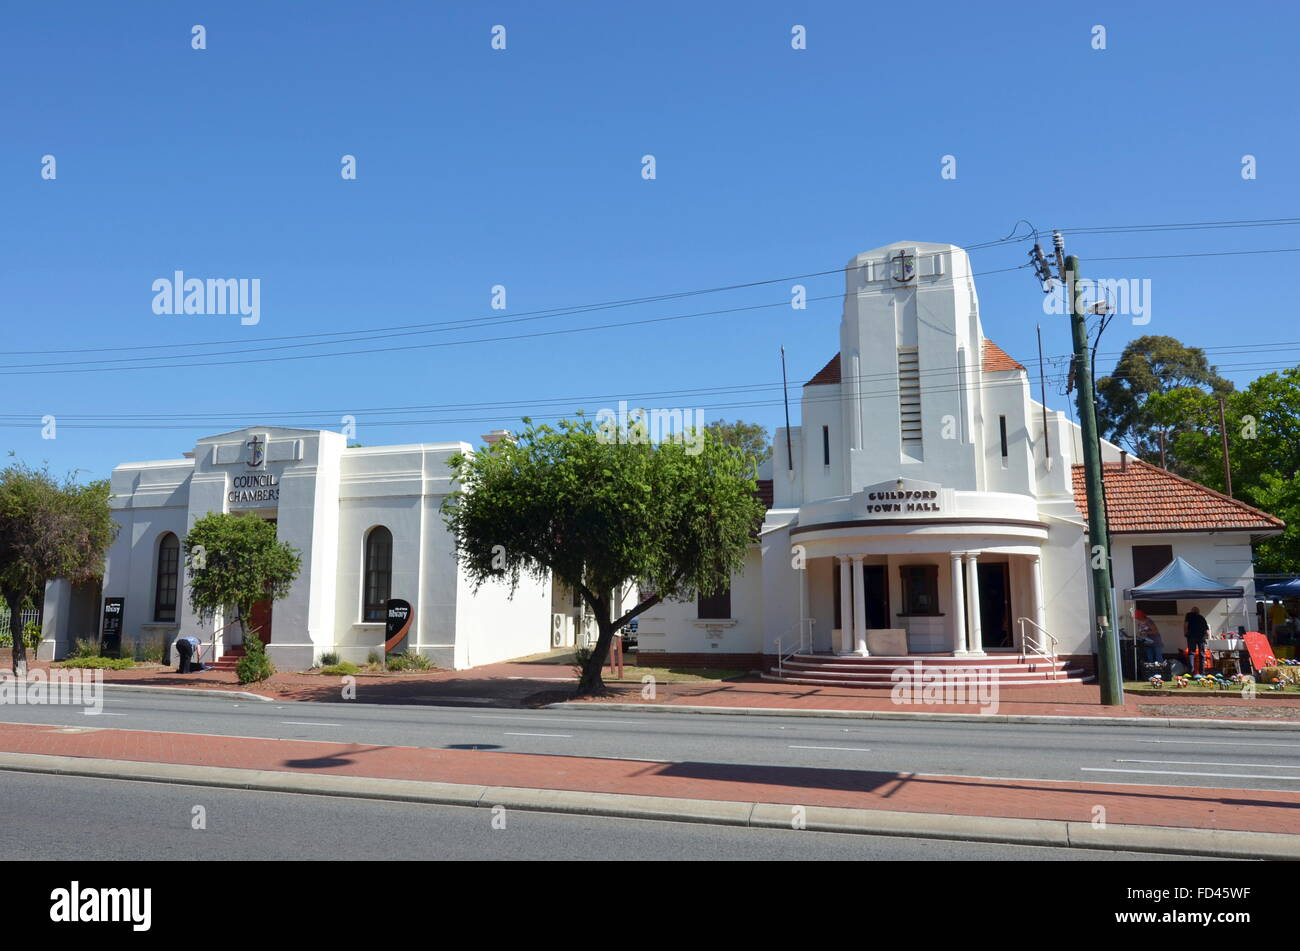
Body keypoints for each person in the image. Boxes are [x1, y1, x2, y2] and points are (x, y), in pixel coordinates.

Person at [1184, 605, 1210, 674]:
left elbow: (1186, 625)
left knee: (1191, 653)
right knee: (1202, 654)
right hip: (1201, 637)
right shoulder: (1201, 617)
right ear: (1198, 612)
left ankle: (1191, 672)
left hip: (1191, 636)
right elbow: (1207, 630)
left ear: (1192, 611)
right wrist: (1207, 637)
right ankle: (1202, 672)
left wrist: (1185, 633)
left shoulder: (1189, 615)